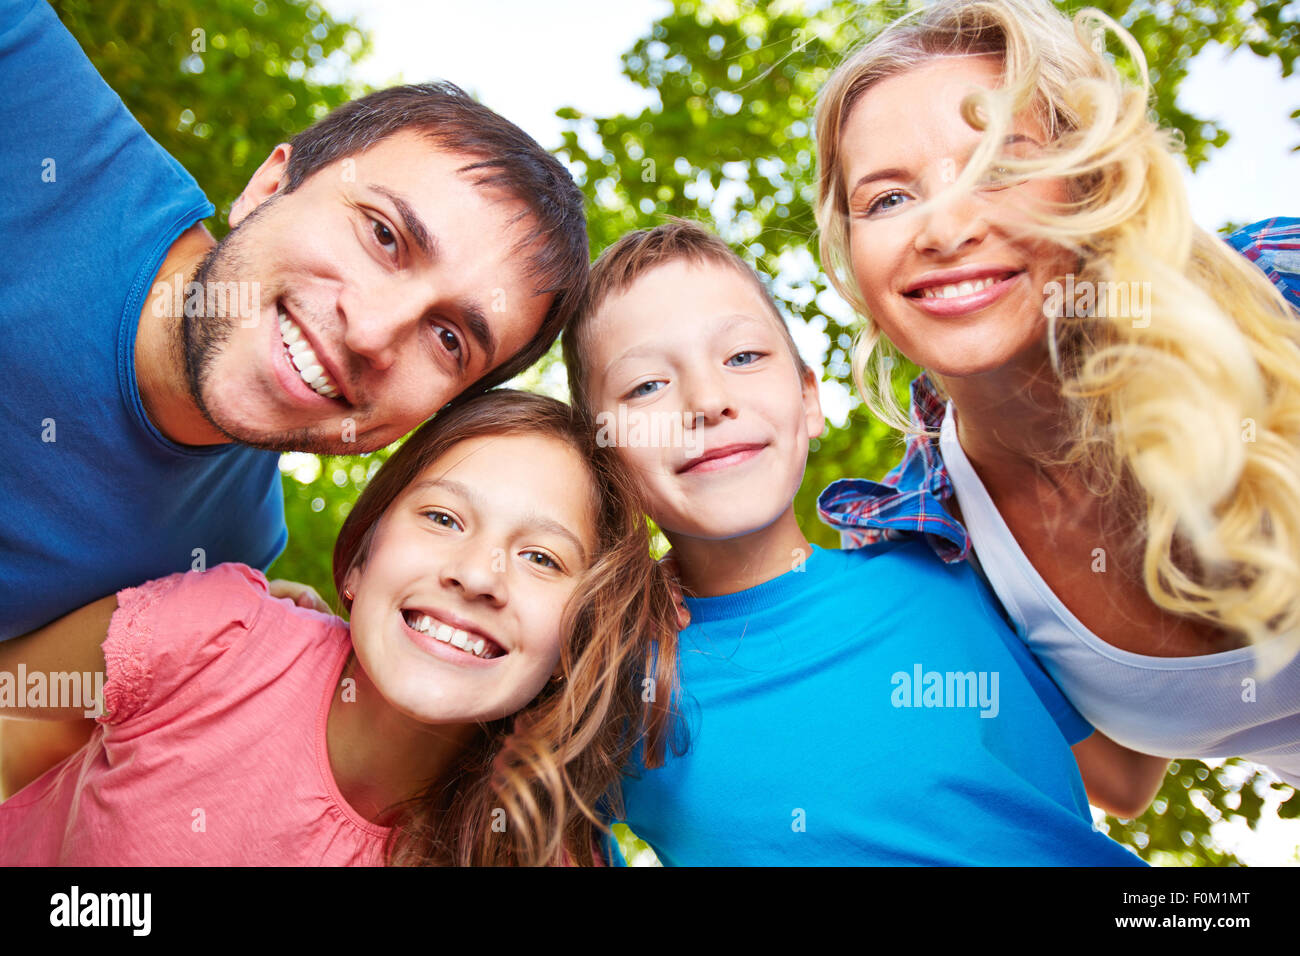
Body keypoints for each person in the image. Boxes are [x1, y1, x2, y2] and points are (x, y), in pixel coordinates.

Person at [0, 0, 586, 792]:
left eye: (449, 339)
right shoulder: (21, 77)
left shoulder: (225, 551)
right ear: (269, 185)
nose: (374, 332)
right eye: (383, 235)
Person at [812, 0, 1300, 817]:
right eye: (889, 199)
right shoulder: (930, 545)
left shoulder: (1279, 297)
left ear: (1093, 180)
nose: (945, 225)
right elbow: (1121, 779)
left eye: (997, 165)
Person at [562, 219, 1143, 865]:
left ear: (810, 400)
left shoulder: (951, 561)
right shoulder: (605, 685)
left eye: (744, 357)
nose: (708, 400)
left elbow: (1125, 778)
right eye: (646, 386)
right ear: (601, 455)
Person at [0, 390, 680, 866]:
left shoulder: (536, 849)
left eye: (541, 558)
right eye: (442, 518)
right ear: (359, 561)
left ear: (576, 642)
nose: (478, 575)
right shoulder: (216, 635)